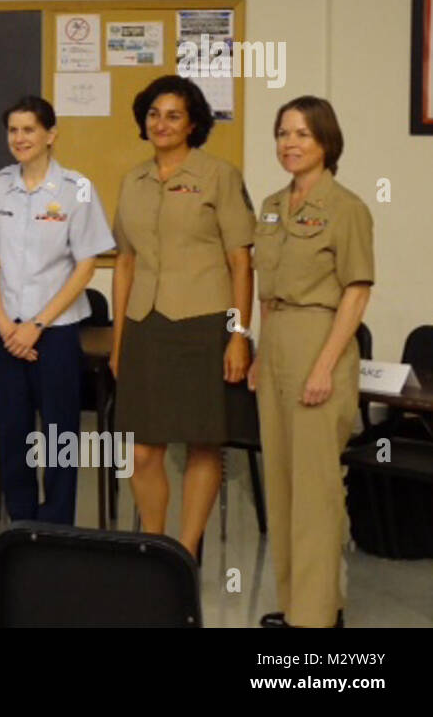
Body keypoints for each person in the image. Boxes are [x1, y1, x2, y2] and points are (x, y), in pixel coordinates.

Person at [111, 74, 254, 557]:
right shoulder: (133, 180)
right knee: (140, 450)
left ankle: (186, 550)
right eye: (153, 114)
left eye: (173, 115)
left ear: (193, 123)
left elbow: (241, 260)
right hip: (145, 325)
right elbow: (125, 263)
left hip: (204, 322)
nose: (161, 123)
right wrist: (118, 343)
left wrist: (238, 336)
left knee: (202, 442)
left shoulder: (219, 175)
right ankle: (156, 546)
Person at [251, 97, 372, 629]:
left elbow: (357, 292)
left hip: (319, 340)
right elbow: (265, 287)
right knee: (281, 483)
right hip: (276, 342)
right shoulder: (273, 204)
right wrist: (258, 348)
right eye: (282, 133)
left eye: (302, 133)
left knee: (317, 488)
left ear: (326, 141)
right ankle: (295, 602)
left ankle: (318, 616)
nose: (290, 143)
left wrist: (324, 366)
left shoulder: (346, 207)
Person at [0, 96, 114, 524]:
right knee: (12, 432)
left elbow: (86, 265)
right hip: (5, 330)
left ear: (50, 134)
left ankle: (56, 524)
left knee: (58, 435)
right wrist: (3, 322)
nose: (20, 139)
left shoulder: (78, 189)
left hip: (54, 332)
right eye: (13, 131)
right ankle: (20, 522)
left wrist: (36, 324)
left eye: (29, 130)